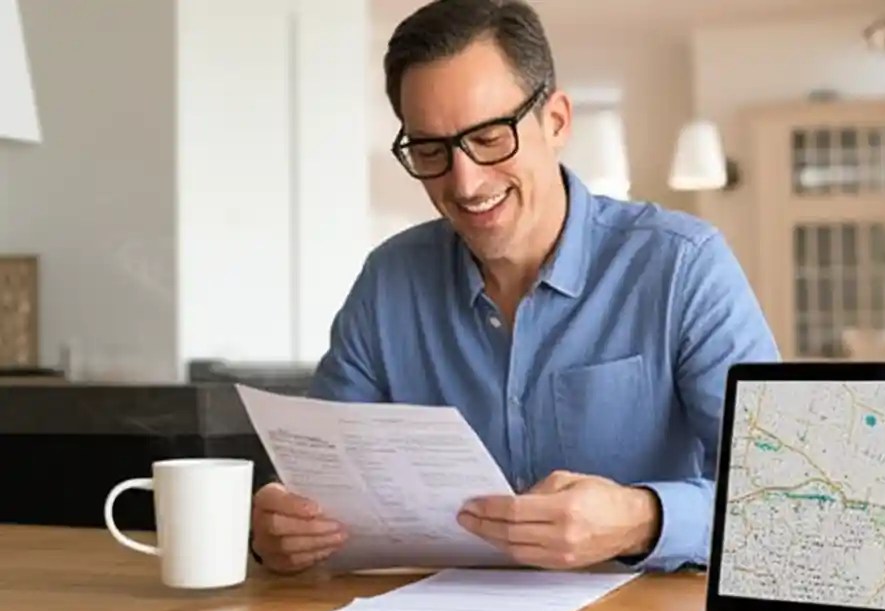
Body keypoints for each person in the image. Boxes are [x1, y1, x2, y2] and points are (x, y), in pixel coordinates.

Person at [249, 0, 778, 575]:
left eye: (490, 137)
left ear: (556, 122)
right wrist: (281, 525)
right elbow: (319, 474)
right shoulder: (389, 283)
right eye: (430, 150)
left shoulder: (682, 267)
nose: (466, 182)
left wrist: (641, 518)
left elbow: (788, 501)